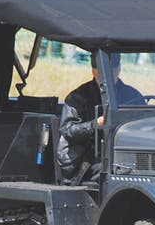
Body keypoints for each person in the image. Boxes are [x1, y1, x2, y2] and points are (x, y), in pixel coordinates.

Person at [57, 53, 142, 185]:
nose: (108, 75)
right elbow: (68, 130)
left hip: (126, 154)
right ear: (94, 71)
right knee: (112, 171)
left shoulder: (133, 95)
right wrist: (97, 123)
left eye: (112, 70)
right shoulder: (78, 97)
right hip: (87, 159)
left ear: (119, 69)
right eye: (102, 71)